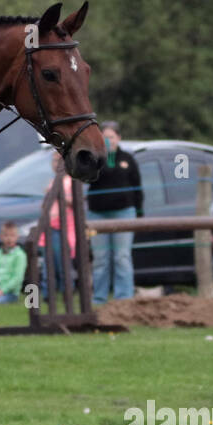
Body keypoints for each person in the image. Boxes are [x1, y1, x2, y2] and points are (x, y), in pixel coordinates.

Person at [87, 120, 142, 304]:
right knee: (101, 259)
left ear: (119, 138)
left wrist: (140, 213)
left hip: (124, 214)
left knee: (122, 257)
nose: (108, 140)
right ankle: (99, 298)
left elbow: (137, 188)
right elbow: (88, 179)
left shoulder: (128, 159)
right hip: (97, 215)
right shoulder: (94, 159)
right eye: (105, 137)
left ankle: (124, 298)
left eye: (111, 136)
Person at [38, 153, 76, 298]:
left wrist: (57, 194)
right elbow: (46, 205)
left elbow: (74, 203)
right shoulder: (53, 181)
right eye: (54, 161)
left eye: (59, 161)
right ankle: (48, 294)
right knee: (49, 263)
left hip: (63, 228)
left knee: (63, 262)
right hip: (50, 226)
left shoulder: (70, 181)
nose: (56, 164)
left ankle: (67, 291)